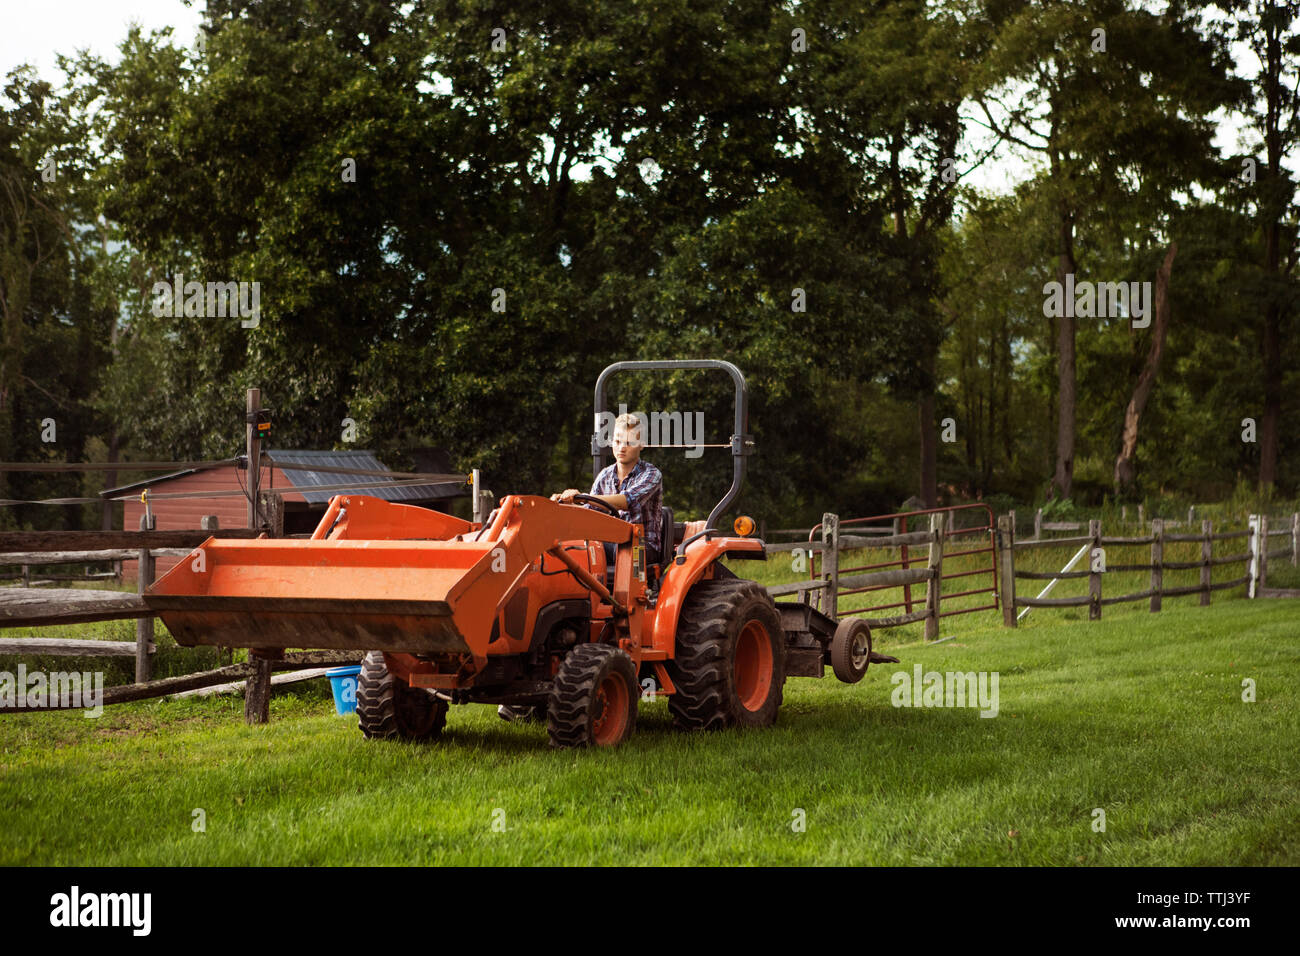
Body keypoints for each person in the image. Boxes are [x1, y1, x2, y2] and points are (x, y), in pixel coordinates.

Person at [551, 412, 664, 566]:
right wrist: (565, 504)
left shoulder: (651, 474)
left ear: (641, 444)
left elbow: (626, 501)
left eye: (628, 443)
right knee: (565, 545)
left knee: (604, 549)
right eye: (617, 441)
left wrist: (583, 496)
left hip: (642, 547)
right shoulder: (605, 475)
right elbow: (589, 512)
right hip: (611, 543)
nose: (621, 448)